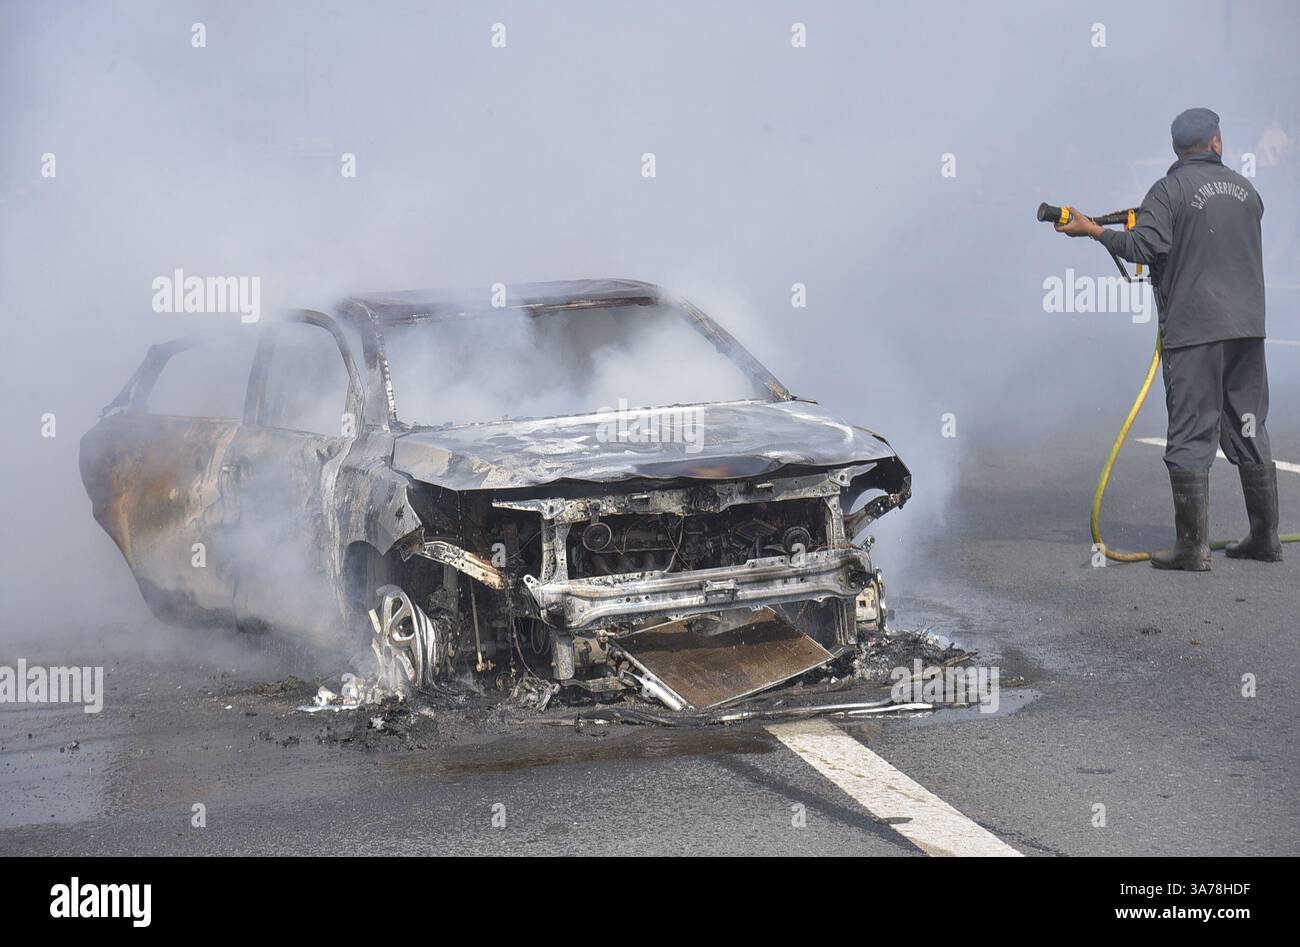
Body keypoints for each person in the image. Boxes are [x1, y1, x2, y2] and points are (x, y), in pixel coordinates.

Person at [1056, 107, 1281, 570]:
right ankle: (1266, 539)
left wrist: (1095, 231)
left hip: (1196, 331)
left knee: (1191, 431)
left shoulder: (1169, 190)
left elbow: (1142, 248)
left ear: (1177, 148)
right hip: (1247, 329)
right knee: (1249, 423)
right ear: (1216, 142)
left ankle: (1192, 548)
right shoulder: (1245, 190)